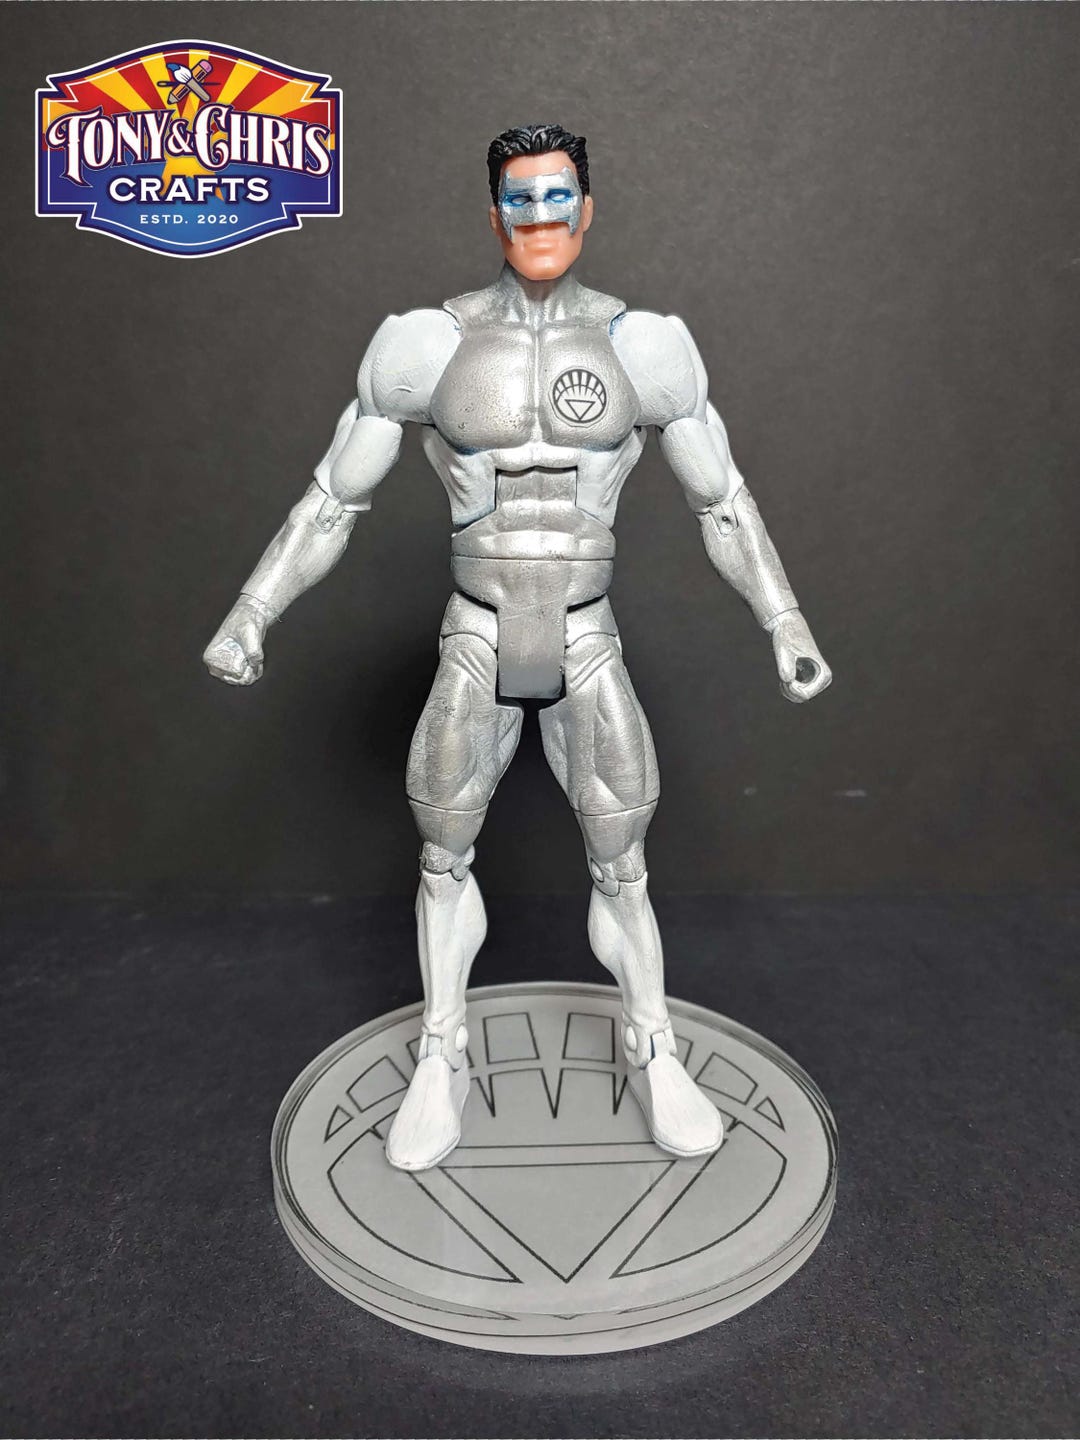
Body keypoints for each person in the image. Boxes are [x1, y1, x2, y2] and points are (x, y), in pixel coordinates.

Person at [204, 122, 831, 1172]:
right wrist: (251, 611)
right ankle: (441, 1050)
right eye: (519, 198)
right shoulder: (427, 345)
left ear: (587, 208)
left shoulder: (645, 348)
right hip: (478, 633)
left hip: (585, 632)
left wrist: (785, 621)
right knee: (443, 853)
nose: (539, 216)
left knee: (623, 862)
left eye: (556, 196)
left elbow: (722, 501)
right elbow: (332, 500)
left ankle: (652, 1045)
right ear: (493, 213)